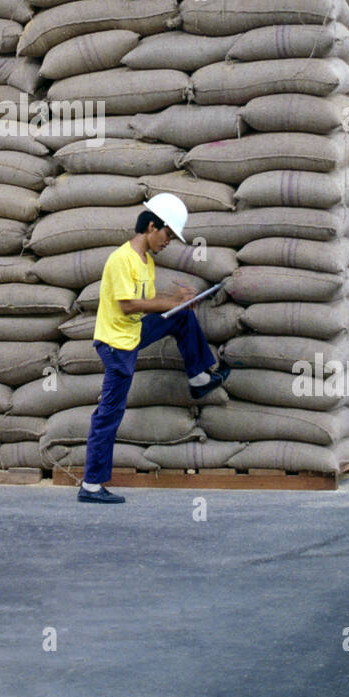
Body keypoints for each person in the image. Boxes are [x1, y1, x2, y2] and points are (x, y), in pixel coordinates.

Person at [78, 193, 229, 505]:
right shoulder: (122, 259)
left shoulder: (146, 261)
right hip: (116, 344)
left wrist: (177, 299)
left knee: (182, 316)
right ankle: (91, 485)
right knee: (110, 412)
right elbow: (128, 304)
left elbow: (146, 303)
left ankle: (199, 377)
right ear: (151, 226)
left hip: (133, 332)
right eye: (168, 235)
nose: (168, 242)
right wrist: (169, 302)